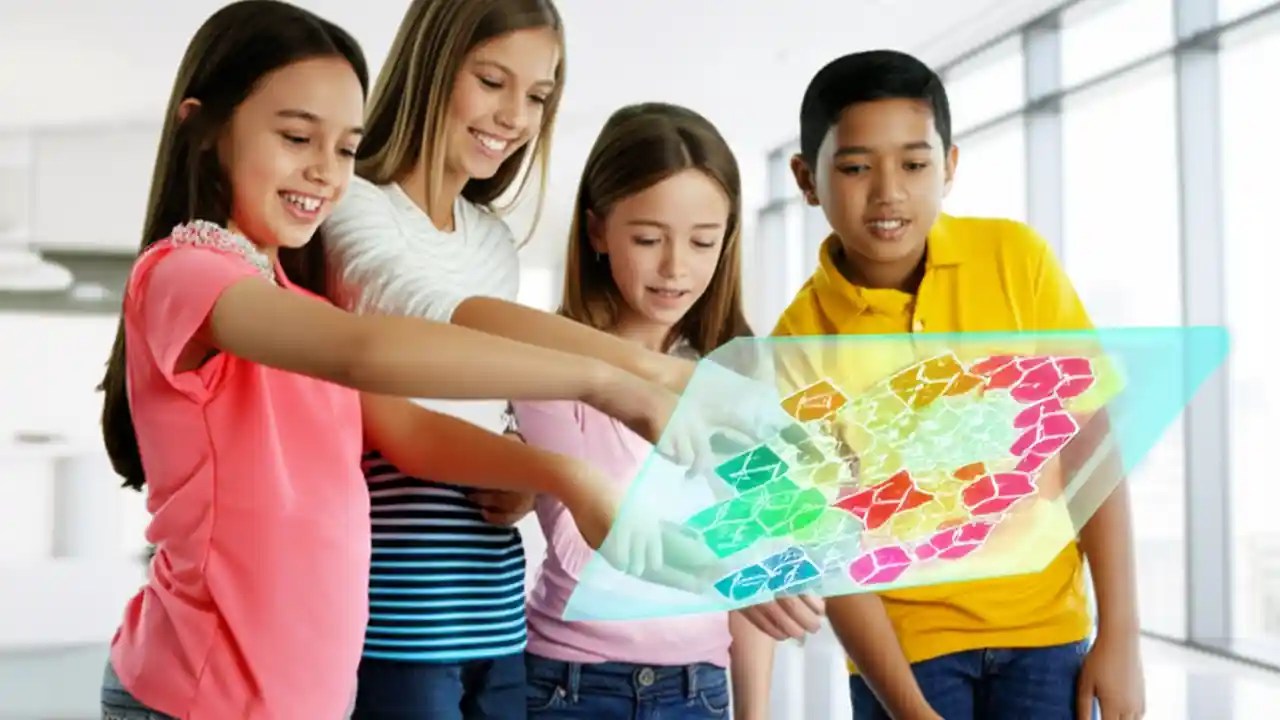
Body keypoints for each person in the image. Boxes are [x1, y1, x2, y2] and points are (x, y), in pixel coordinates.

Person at [94, 3, 679, 717]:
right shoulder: (184, 272)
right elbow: (366, 351)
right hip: (194, 696)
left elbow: (407, 430)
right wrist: (609, 381)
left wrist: (559, 473)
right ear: (203, 127)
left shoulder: (294, 298)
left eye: (346, 148)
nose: (325, 171)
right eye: (296, 136)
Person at [318, 1, 818, 716]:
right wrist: (639, 383)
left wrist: (518, 466)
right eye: (492, 81)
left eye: (538, 96)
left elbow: (477, 396)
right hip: (407, 613)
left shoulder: (489, 241)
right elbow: (418, 322)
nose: (514, 116)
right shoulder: (351, 206)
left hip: (492, 610)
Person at [769, 49, 1146, 720]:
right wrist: (908, 709)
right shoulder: (797, 344)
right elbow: (832, 548)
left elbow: (1088, 445)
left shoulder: (1017, 261)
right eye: (855, 168)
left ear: (948, 165)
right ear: (807, 178)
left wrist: (1121, 635)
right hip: (903, 654)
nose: (889, 193)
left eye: (914, 165)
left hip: (1047, 636)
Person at [510, 101, 767, 719]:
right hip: (570, 688)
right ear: (597, 231)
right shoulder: (549, 359)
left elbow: (755, 574)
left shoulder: (738, 371)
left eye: (702, 242)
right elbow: (586, 552)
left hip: (699, 691)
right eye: (649, 239)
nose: (676, 268)